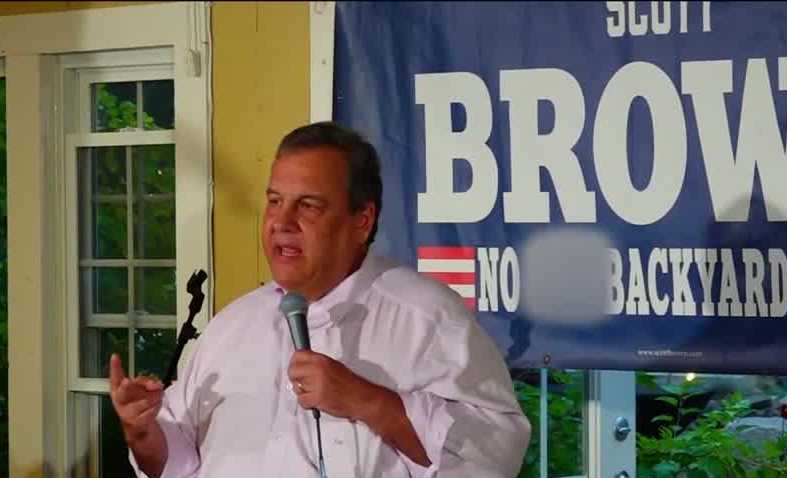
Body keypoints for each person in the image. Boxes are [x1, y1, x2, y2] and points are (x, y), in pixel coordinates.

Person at [109, 121, 531, 477]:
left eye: (307, 206)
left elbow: (496, 452)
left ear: (361, 221)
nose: (281, 222)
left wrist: (368, 401)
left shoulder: (426, 317)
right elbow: (180, 462)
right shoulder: (231, 326)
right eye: (274, 201)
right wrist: (144, 433)